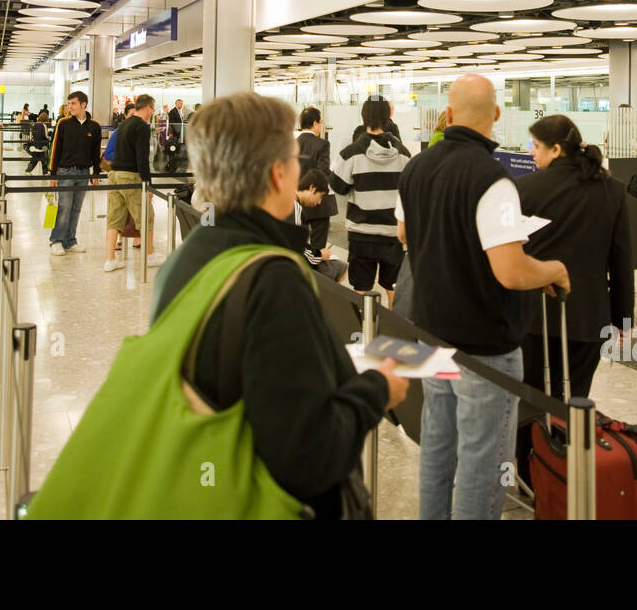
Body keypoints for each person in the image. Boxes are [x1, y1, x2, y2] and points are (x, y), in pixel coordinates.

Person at [151, 92, 407, 518]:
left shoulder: (188, 257)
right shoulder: (272, 279)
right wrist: (377, 389)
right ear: (276, 173)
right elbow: (308, 455)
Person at [397, 74, 569, 521]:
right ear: (495, 115)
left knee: (437, 447)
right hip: (483, 348)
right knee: (482, 461)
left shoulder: (416, 168)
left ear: (448, 115)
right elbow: (511, 271)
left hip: (430, 334)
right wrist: (552, 270)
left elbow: (405, 235)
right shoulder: (494, 180)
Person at [518, 115, 633, 399]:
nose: (531, 152)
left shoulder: (524, 188)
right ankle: (569, 443)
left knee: (531, 402)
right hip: (588, 319)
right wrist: (623, 319)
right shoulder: (612, 189)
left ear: (556, 149)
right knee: (574, 400)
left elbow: (513, 254)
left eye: (536, 145)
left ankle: (532, 445)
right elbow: (620, 258)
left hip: (534, 316)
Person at [331, 97, 410, 307]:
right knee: (393, 286)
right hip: (393, 233)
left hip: (362, 234)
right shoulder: (403, 154)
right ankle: (394, 332)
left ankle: (364, 332)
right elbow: (409, 190)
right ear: (388, 117)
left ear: (363, 117)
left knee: (361, 288)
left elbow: (338, 186)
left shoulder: (351, 153)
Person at [104, 96, 162, 272]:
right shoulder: (142, 127)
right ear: (149, 108)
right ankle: (150, 254)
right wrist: (148, 184)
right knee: (145, 215)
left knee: (114, 217)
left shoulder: (123, 125)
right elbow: (142, 158)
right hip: (131, 176)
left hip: (114, 176)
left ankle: (110, 259)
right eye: (153, 109)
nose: (153, 113)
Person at [48, 90, 101, 255]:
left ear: (83, 105)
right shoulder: (63, 124)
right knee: (64, 207)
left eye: (73, 103)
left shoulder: (94, 126)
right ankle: (56, 240)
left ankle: (70, 240)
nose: (69, 106)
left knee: (76, 208)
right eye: (68, 103)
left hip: (84, 173)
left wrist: (95, 174)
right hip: (65, 172)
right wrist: (53, 174)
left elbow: (95, 152)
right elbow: (55, 149)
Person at [294, 168, 346, 284]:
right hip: (289, 266)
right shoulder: (294, 208)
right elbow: (297, 248)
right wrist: (320, 254)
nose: (319, 202)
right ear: (312, 188)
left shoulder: (288, 199)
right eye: (321, 196)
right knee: (340, 268)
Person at [296, 106, 336, 241]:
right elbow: (323, 171)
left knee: (299, 242)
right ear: (314, 123)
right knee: (318, 241)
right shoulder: (322, 144)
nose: (320, 127)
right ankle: (318, 258)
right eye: (320, 123)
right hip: (318, 202)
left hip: (297, 200)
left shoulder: (292, 144)